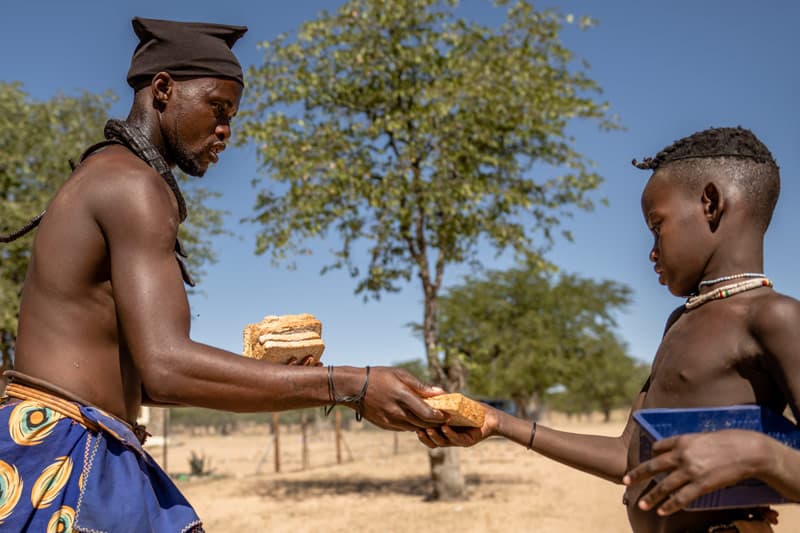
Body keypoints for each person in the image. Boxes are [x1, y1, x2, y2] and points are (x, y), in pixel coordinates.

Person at [0, 16, 446, 532]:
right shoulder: (133, 186)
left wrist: (286, 380)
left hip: (49, 444)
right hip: (70, 453)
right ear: (163, 89)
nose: (225, 131)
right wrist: (349, 384)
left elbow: (148, 381)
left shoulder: (106, 176)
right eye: (219, 108)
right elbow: (168, 366)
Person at [417, 126, 800, 532]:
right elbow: (627, 457)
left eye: (657, 225)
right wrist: (499, 423)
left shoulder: (776, 319)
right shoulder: (681, 322)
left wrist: (760, 455)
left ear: (711, 204)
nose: (652, 251)